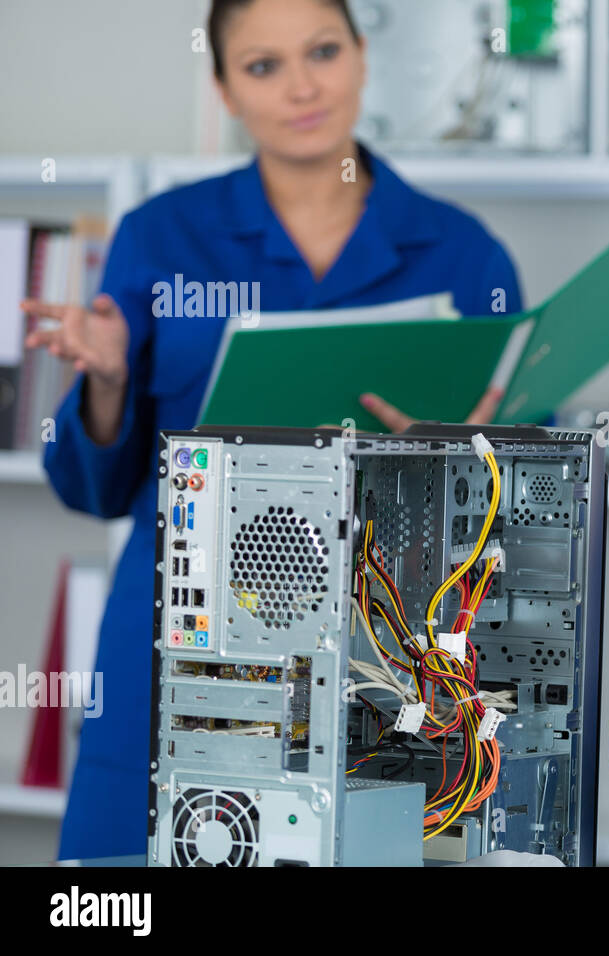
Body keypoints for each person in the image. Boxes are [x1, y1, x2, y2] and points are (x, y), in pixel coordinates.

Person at [21, 0, 521, 860]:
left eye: (323, 51)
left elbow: (515, 489)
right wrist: (104, 381)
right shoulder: (159, 238)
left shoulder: (463, 253)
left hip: (382, 647)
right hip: (183, 644)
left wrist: (473, 440)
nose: (301, 86)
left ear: (363, 58)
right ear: (223, 88)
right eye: (262, 66)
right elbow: (93, 486)